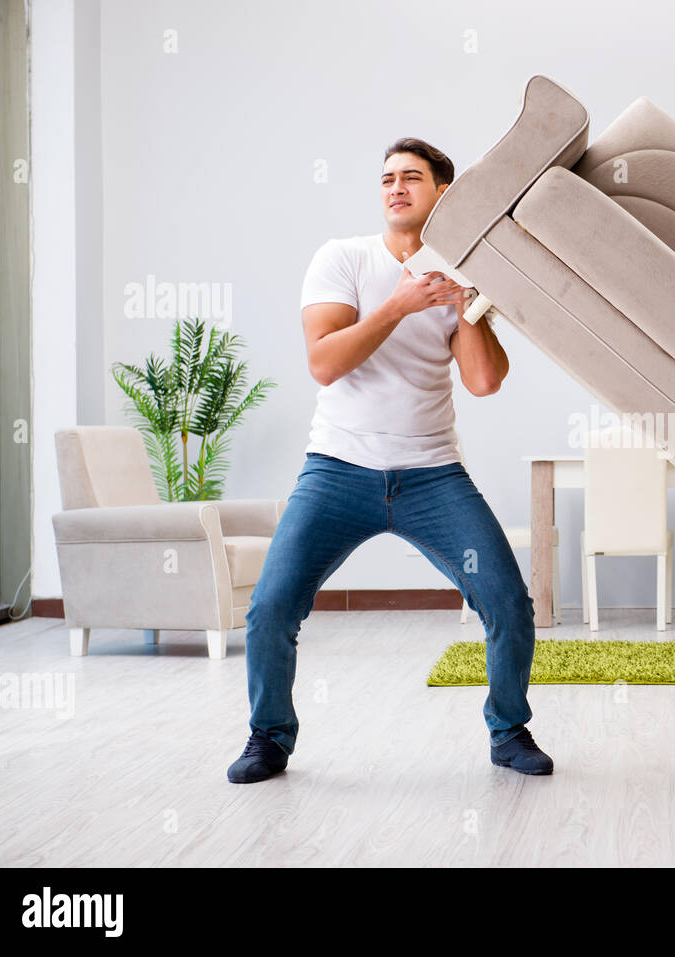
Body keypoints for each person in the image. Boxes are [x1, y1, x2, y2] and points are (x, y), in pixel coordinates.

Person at [226, 137, 551, 783]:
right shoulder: (343, 258)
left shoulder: (467, 272)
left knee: (508, 602)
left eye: (412, 177)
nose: (396, 187)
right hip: (337, 471)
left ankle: (509, 729)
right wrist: (400, 305)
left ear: (444, 192)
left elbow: (484, 383)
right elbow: (325, 361)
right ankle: (269, 738)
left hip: (432, 474)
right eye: (387, 179)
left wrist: (466, 311)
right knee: (271, 608)